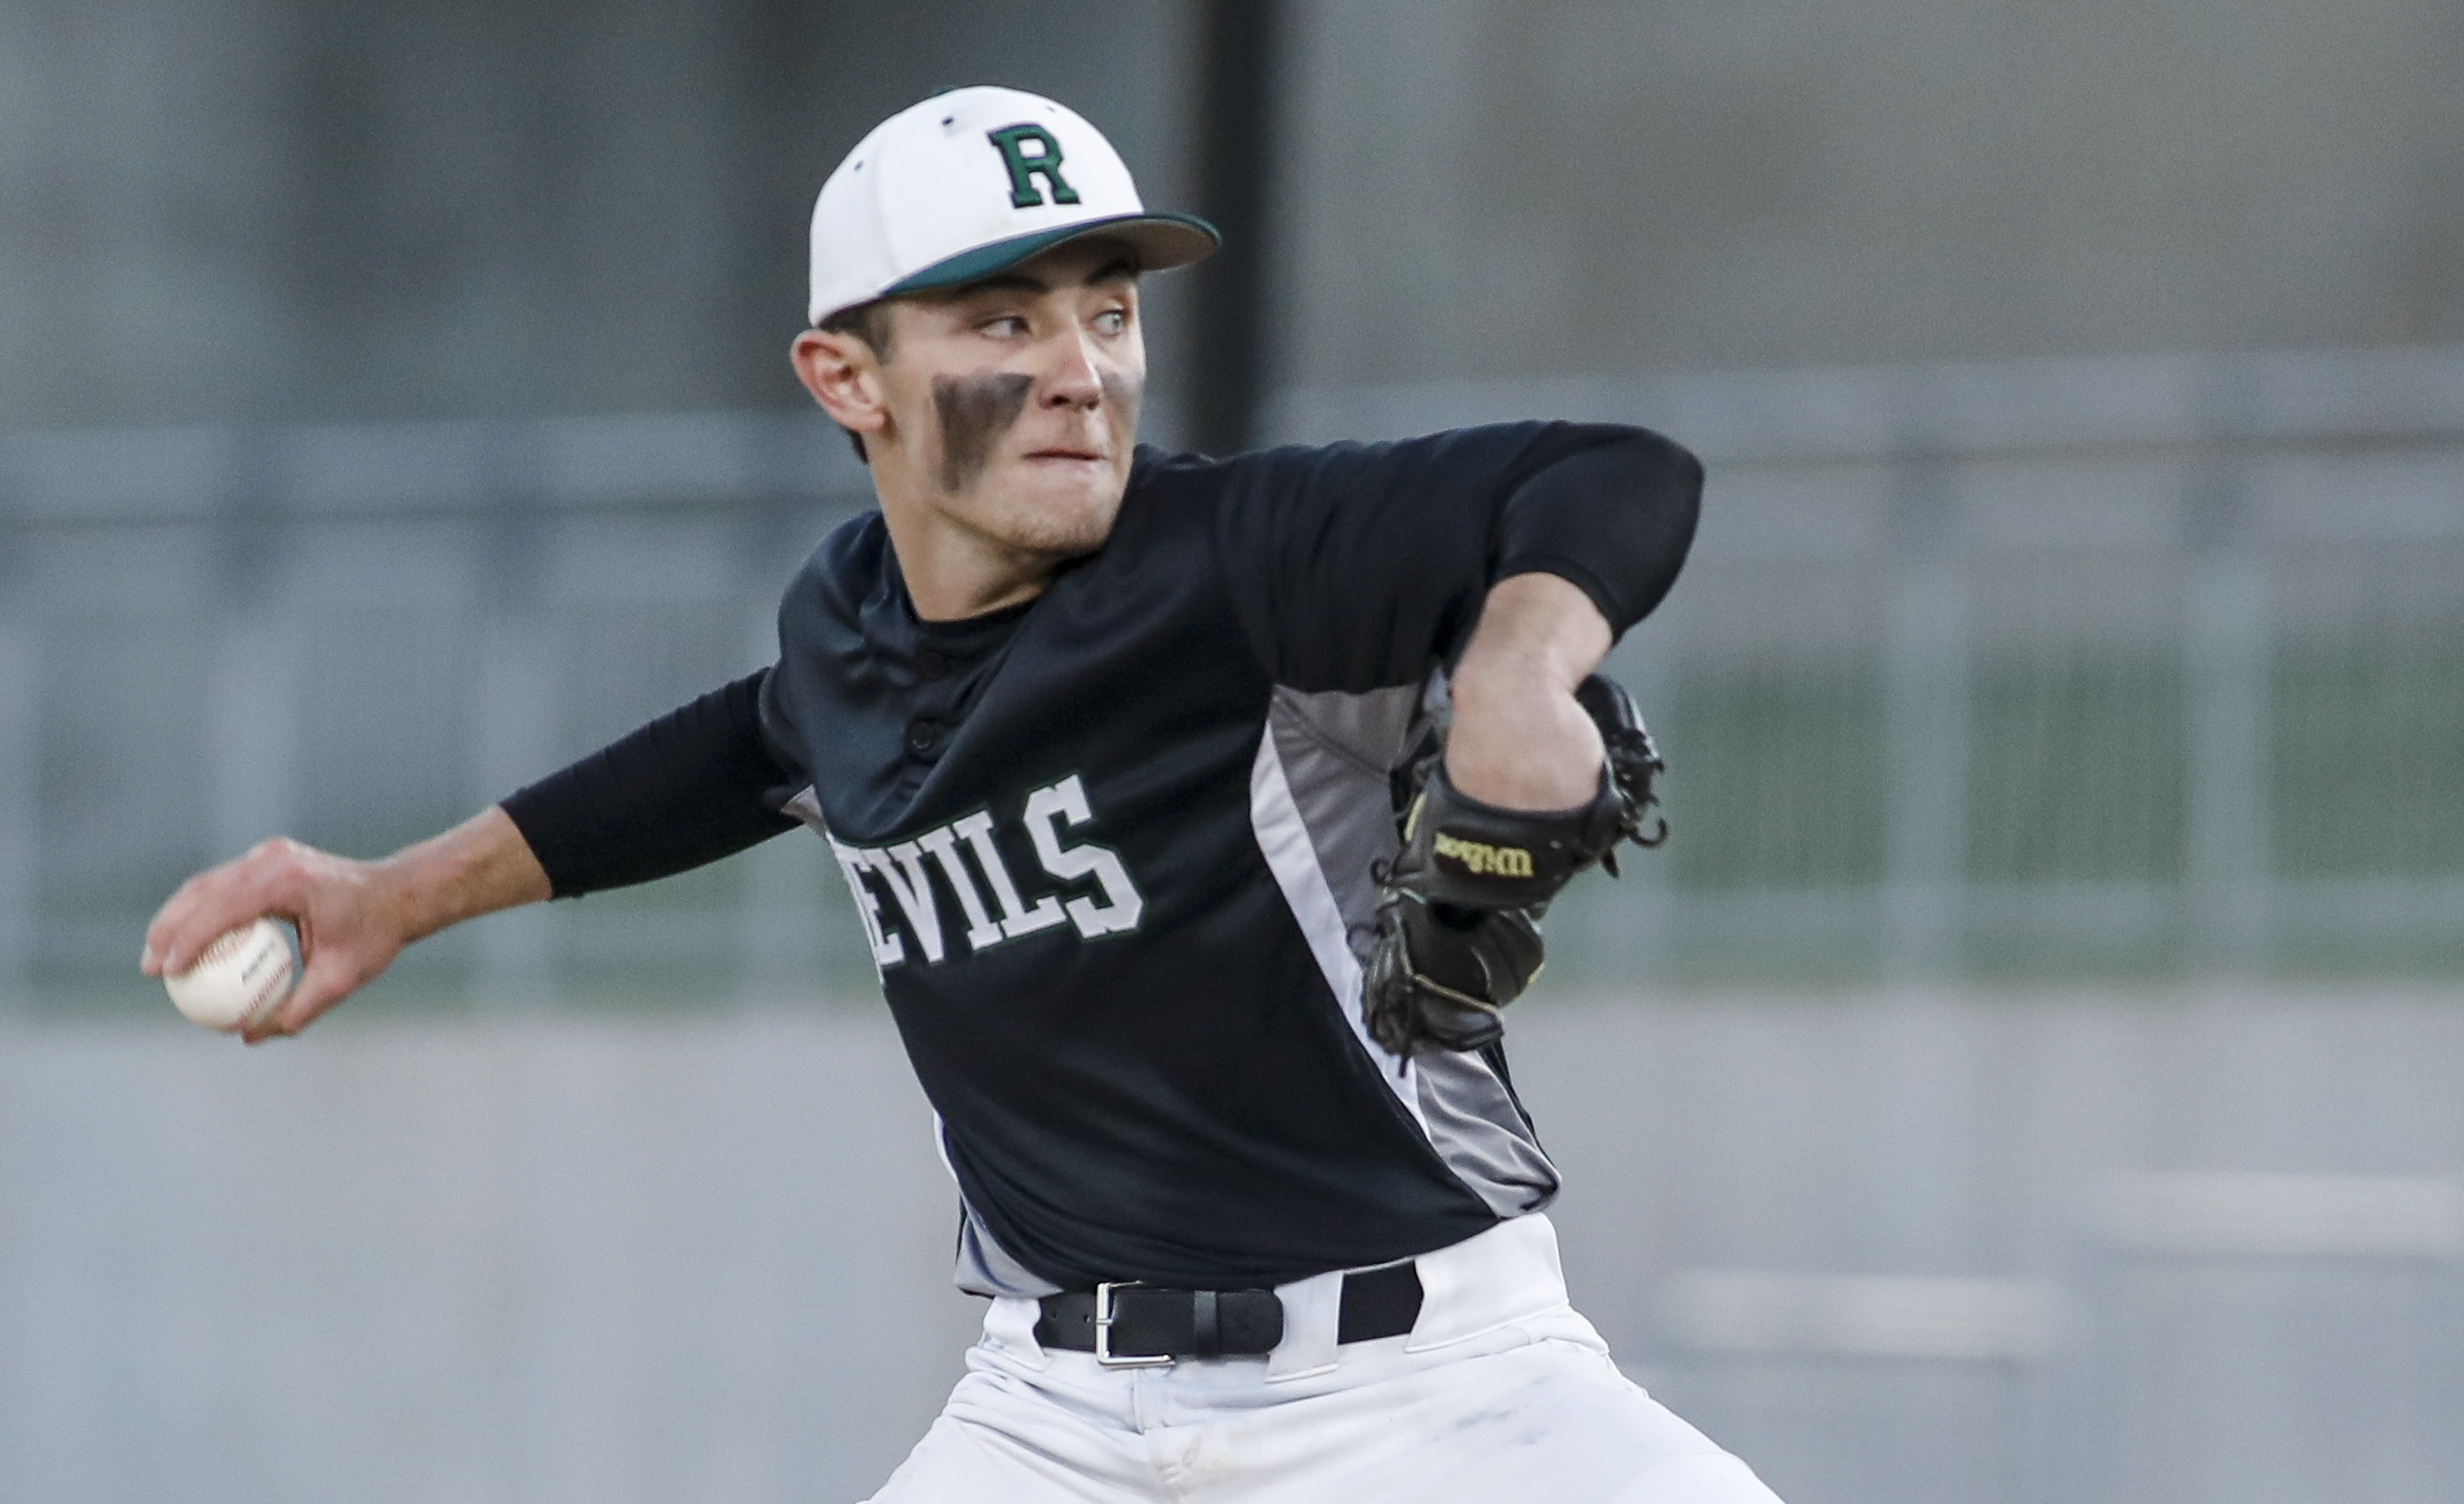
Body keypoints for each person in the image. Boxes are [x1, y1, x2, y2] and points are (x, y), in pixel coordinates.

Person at [142, 86, 1781, 1503]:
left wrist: (1514, 668)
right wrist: (386, 897)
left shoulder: (1238, 564)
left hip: (1432, 1388)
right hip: (1055, 1411)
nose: (1081, 367)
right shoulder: (843, 629)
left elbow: (1617, 476)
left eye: (1109, 310)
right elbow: (729, 758)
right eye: (1004, 319)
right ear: (846, 378)